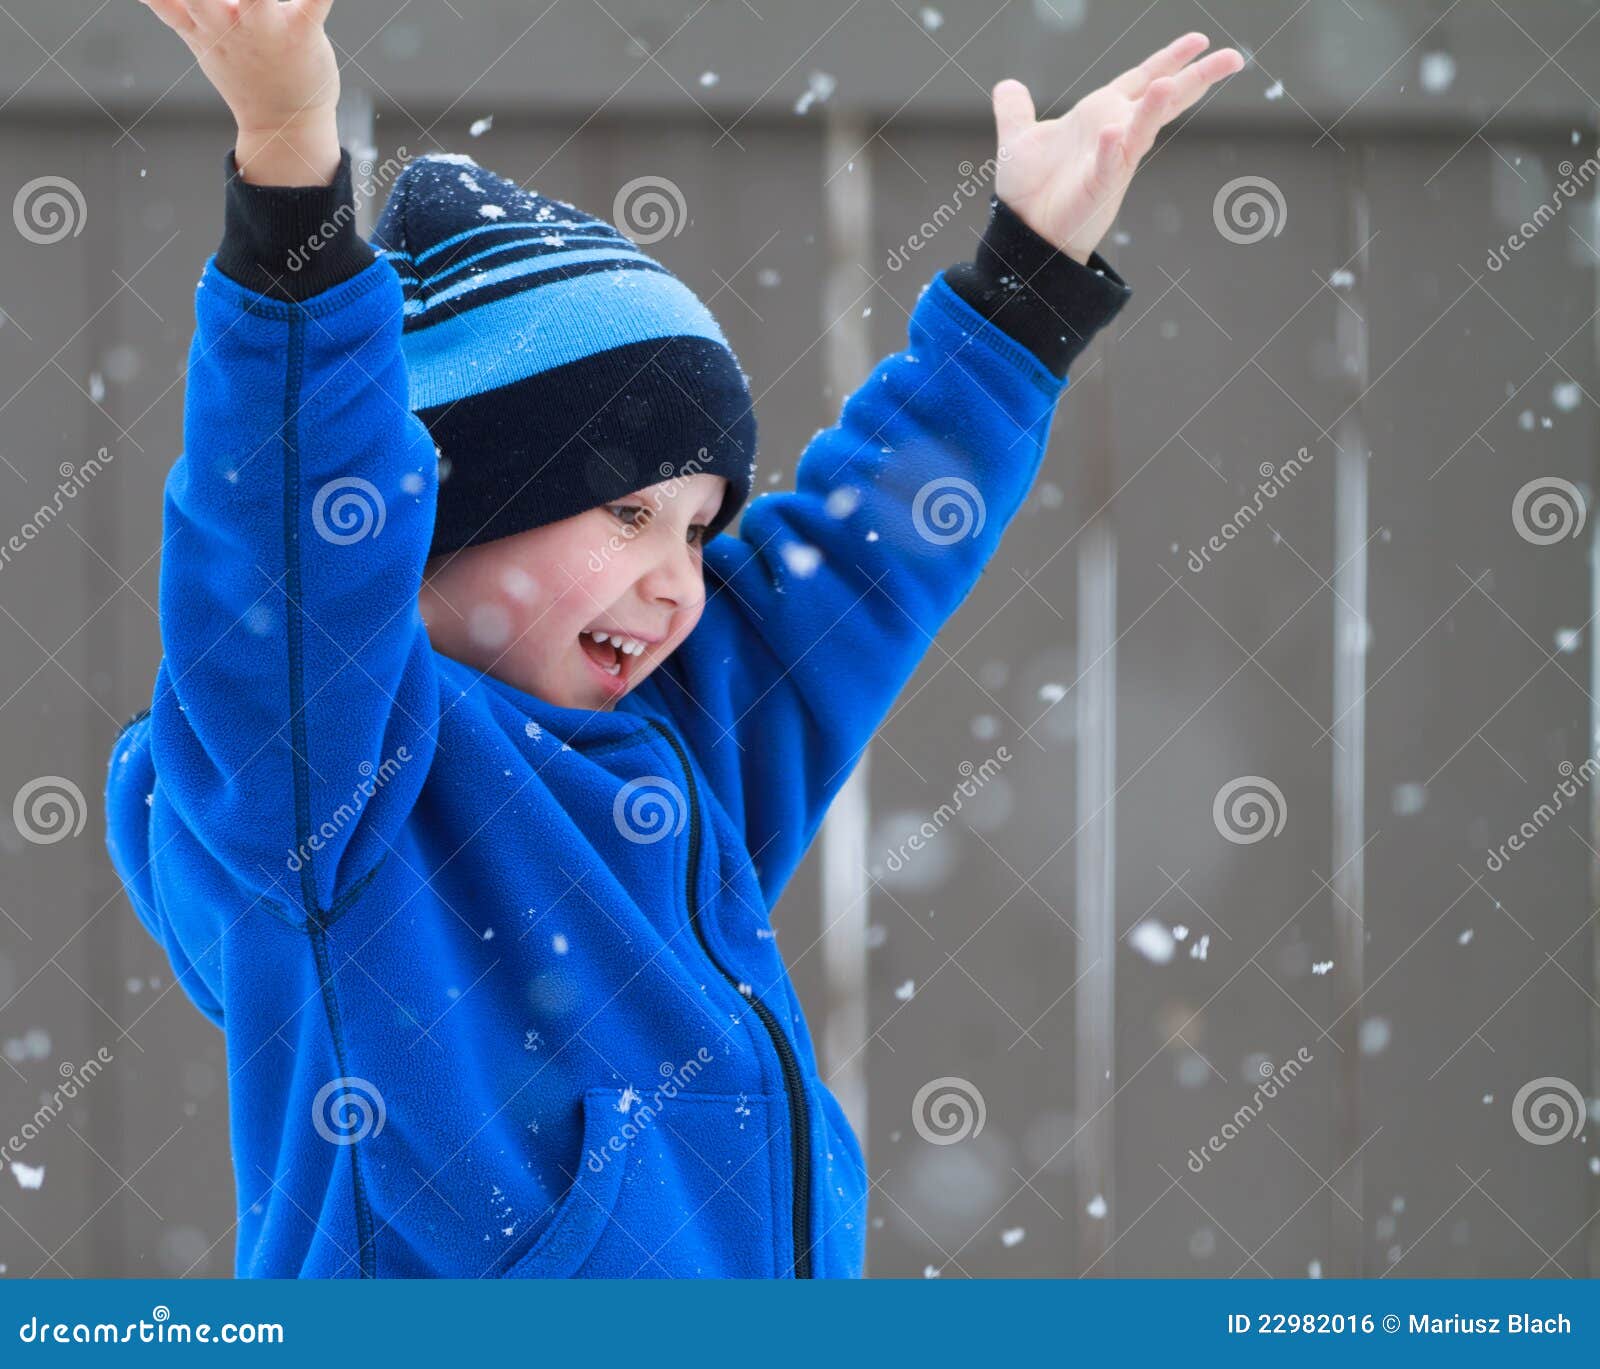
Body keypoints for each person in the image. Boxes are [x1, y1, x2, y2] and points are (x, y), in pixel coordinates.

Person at [110, 0, 1241, 1277]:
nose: (678, 584)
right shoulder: (325, 784)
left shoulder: (675, 745)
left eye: (700, 531)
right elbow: (286, 530)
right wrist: (287, 147)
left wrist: (1024, 283)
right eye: (629, 510)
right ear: (440, 502)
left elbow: (857, 565)